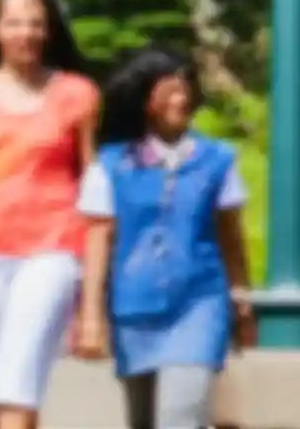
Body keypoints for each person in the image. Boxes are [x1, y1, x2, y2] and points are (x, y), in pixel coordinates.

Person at [76, 46, 256, 429]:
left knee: (181, 417)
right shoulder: (111, 165)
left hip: (199, 302)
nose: (182, 99)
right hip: (133, 308)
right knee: (143, 420)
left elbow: (231, 235)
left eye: (186, 88)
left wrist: (241, 296)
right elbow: (98, 238)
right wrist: (91, 314)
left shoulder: (217, 160)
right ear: (145, 99)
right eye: (170, 90)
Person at [0, 0, 99, 429]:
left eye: (36, 23)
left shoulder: (77, 93)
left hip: (52, 249)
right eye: (14, 23)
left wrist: (93, 293)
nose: (26, 33)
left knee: (18, 378)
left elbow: (93, 185)